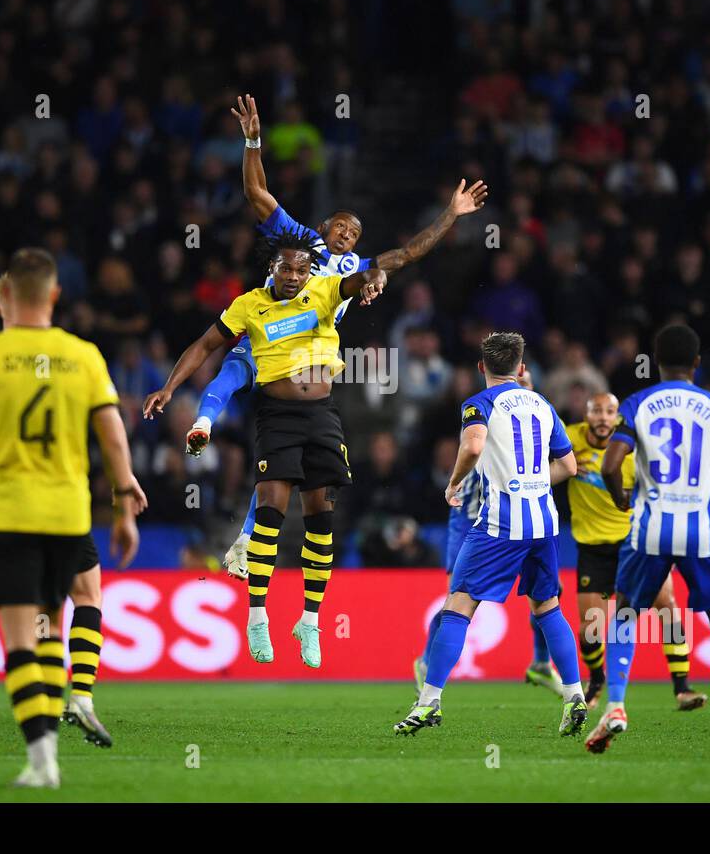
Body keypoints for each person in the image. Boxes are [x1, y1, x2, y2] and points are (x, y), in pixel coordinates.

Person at [186, 94, 487, 579]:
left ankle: (244, 539)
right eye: (342, 226)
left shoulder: (355, 268)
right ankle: (203, 426)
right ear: (324, 225)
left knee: (280, 454)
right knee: (232, 379)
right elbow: (257, 192)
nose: (349, 234)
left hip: (305, 358)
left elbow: (408, 254)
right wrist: (253, 141)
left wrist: (451, 214)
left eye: (356, 232)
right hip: (268, 330)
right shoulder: (300, 237)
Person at [0, 249, 147, 788]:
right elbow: (113, 433)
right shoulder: (85, 356)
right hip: (67, 515)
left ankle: (42, 761)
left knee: (23, 641)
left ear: (5, 298)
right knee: (54, 628)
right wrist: (124, 506)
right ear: (54, 296)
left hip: (6, 513)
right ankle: (59, 735)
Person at [143, 228, 393, 669]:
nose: (294, 276)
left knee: (322, 517)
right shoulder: (248, 306)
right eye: (286, 268)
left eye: (301, 269)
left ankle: (309, 621)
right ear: (271, 270)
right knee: (271, 513)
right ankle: (257, 615)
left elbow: (360, 278)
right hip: (276, 417)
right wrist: (168, 387)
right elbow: (205, 345)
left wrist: (374, 276)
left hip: (323, 415)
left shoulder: (324, 289)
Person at [393, 332, 586, 738]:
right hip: (544, 524)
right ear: (520, 366)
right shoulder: (543, 404)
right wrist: (532, 480)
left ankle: (428, 702)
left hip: (499, 525)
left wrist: (454, 482)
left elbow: (474, 446)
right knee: (547, 607)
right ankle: (574, 695)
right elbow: (568, 466)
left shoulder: (478, 404)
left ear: (481, 367)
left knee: (458, 606)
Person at [586, 324, 710, 758]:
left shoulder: (639, 402)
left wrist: (621, 498)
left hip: (651, 526)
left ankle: (615, 706)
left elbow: (612, 464)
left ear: (656, 360)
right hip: (702, 529)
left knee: (627, 611)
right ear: (698, 363)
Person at [412, 370, 571, 699]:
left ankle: (541, 663)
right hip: (470, 520)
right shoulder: (488, 417)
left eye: (527, 389)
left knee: (550, 592)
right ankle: (427, 663)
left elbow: (560, 467)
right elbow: (472, 450)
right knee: (457, 601)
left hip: (516, 517)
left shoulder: (531, 421)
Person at [563, 391, 706, 710]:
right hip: (593, 548)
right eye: (596, 411)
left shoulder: (633, 450)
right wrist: (565, 461)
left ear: (618, 417)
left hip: (637, 544)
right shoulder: (569, 439)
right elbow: (538, 432)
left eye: (609, 411)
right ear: (586, 415)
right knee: (591, 628)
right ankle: (597, 680)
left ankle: (682, 688)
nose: (602, 417)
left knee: (667, 606)